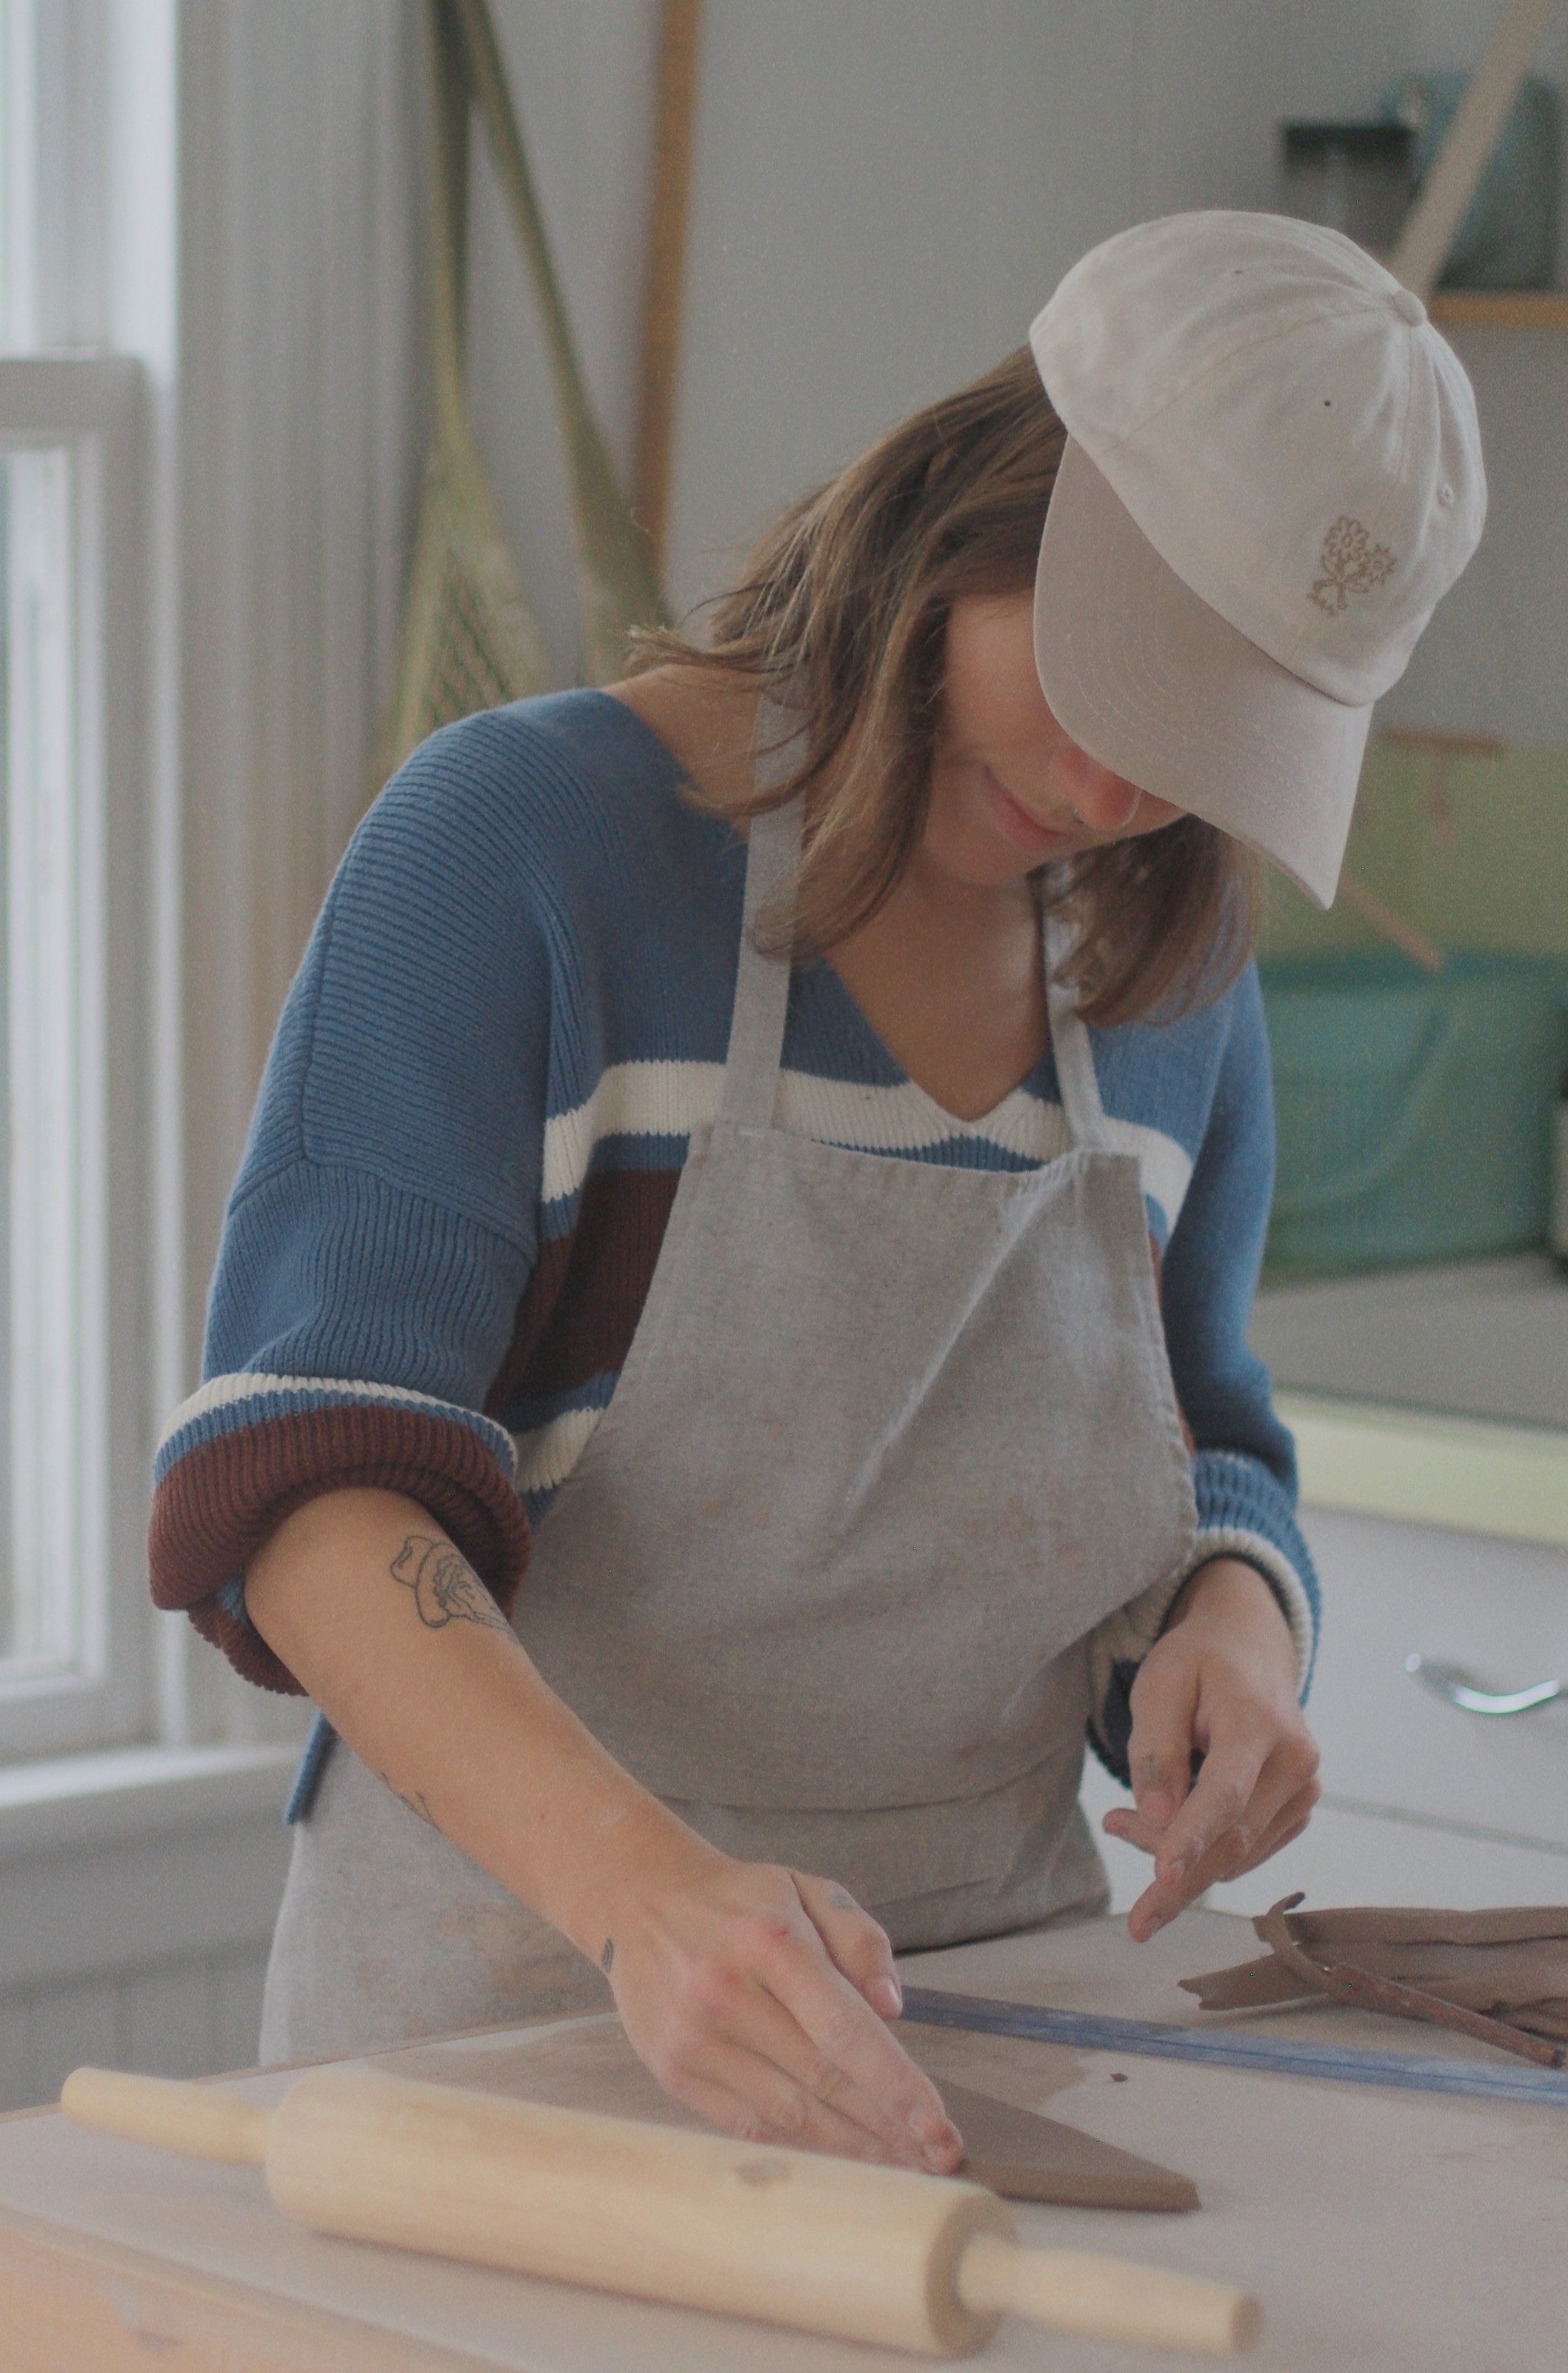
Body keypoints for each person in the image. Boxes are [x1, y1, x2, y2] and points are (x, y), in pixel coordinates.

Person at [150, 210, 1484, 2173]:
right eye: (1116, 672)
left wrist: (1232, 1634)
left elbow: (1206, 1442)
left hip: (1012, 2028)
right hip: (524, 2002)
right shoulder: (520, 854)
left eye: (1207, 735)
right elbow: (312, 1491)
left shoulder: (1174, 975)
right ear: (981, 496)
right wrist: (645, 1898)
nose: (1123, 795)